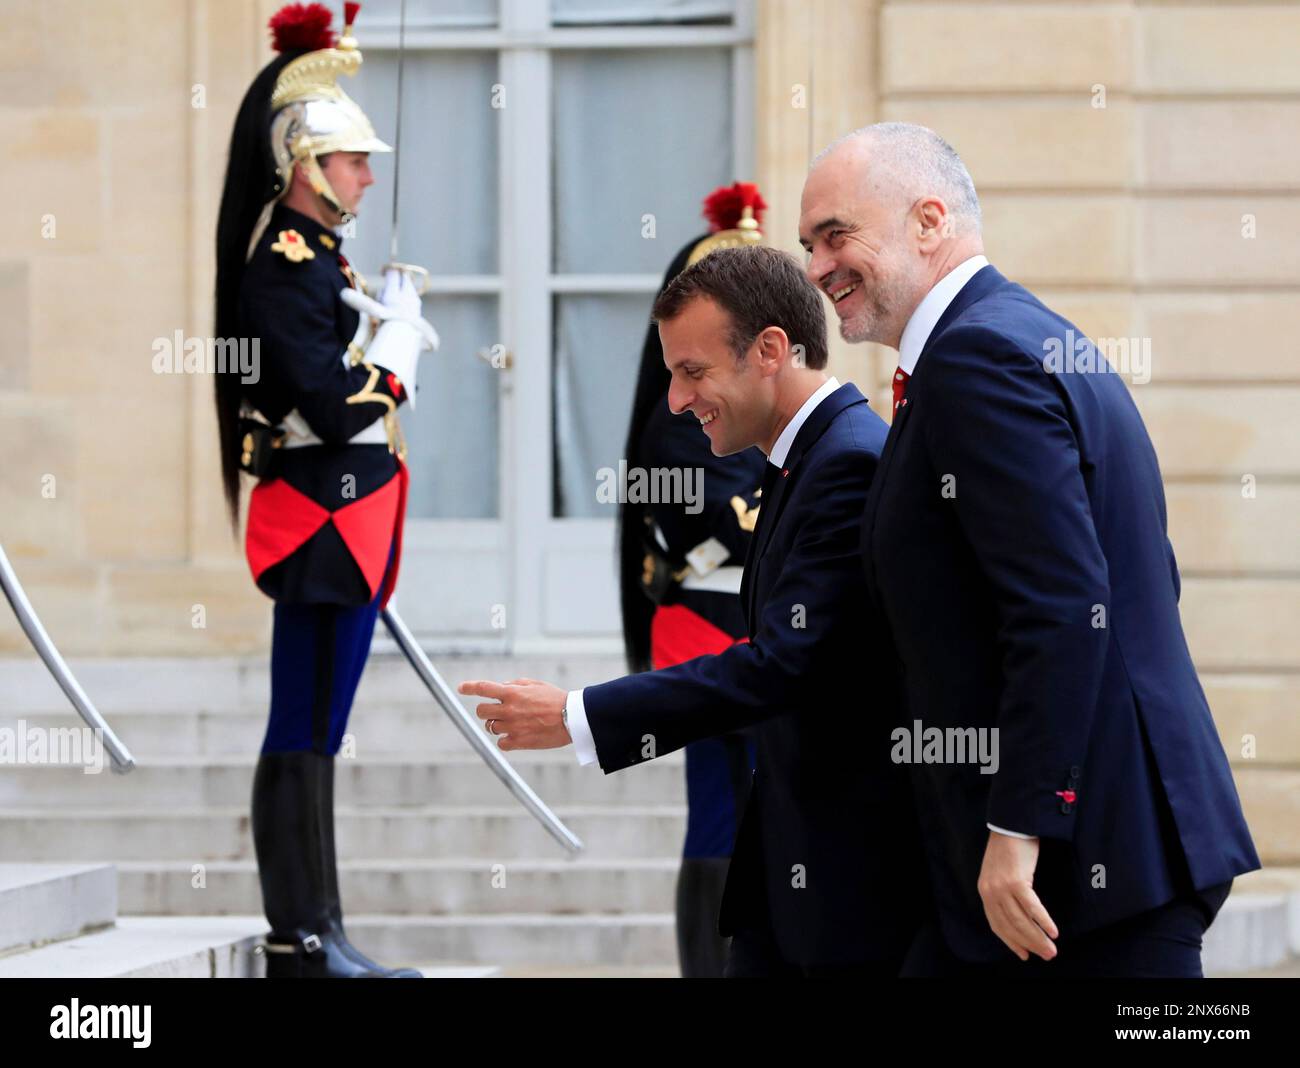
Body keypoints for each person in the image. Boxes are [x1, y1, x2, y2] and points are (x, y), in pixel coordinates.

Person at [798, 122, 1261, 977]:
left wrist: (1021, 824)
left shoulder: (975, 359)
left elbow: (1064, 605)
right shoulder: (1021, 335)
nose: (817, 267)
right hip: (1075, 862)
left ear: (929, 221)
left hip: (1073, 875)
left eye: (836, 235)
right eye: (808, 246)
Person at [461, 245, 928, 977]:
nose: (676, 400)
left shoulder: (845, 461)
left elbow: (783, 666)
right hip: (798, 880)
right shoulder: (810, 457)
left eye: (693, 372)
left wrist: (580, 714)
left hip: (845, 889)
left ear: (769, 351)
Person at [213, 1, 434, 978]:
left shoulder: (321, 260)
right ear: (306, 164)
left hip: (347, 520)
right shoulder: (284, 264)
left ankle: (323, 929)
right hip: (321, 523)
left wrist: (379, 325)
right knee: (302, 728)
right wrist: (396, 358)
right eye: (352, 162)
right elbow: (336, 410)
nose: (366, 176)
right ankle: (297, 937)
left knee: (321, 731)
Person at [617, 183, 767, 976]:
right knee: (718, 816)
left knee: (763, 820)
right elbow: (712, 519)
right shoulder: (679, 414)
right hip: (710, 628)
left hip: (762, 629)